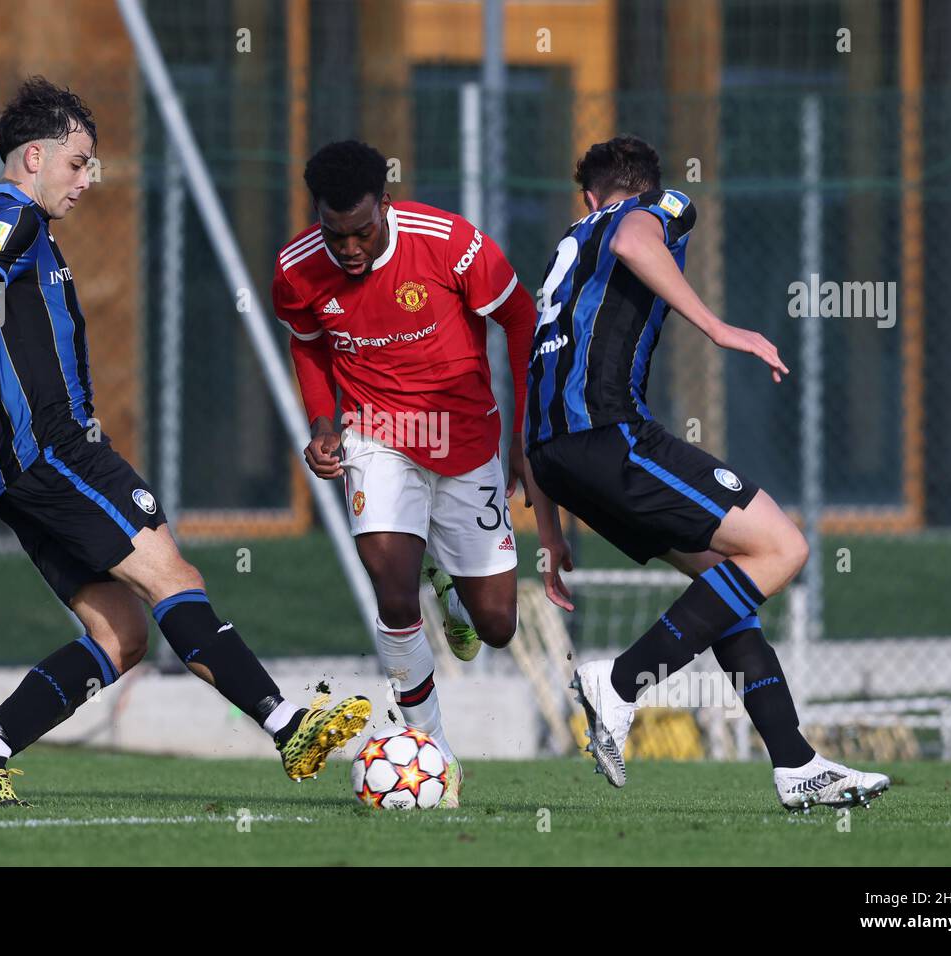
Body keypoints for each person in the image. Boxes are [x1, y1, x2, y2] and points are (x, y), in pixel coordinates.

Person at [0, 77, 369, 807]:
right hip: (55, 451)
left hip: (12, 470)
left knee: (122, 634)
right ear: (34, 156)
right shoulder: (11, 213)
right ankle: (290, 725)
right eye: (77, 163)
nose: (85, 180)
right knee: (177, 581)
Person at [524, 135, 889, 811]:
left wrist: (547, 530)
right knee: (784, 548)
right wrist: (720, 329)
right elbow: (636, 240)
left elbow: (532, 393)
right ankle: (622, 683)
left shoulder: (560, 260)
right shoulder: (657, 207)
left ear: (584, 196)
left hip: (556, 456)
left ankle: (796, 763)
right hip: (611, 436)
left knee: (725, 591)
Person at [273, 140, 569, 807]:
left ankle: (452, 586)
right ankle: (435, 752)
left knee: (495, 627)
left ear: (386, 205)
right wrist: (324, 425)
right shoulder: (296, 269)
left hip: (466, 443)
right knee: (392, 593)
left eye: (362, 231)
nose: (348, 248)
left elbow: (520, 317)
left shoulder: (451, 244)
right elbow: (309, 343)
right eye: (334, 233)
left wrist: (525, 432)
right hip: (376, 439)